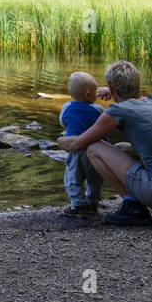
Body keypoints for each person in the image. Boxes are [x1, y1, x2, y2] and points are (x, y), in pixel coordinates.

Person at [57, 60, 152, 226]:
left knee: (94, 148)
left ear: (112, 89)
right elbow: (131, 101)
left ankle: (133, 207)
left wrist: (60, 140)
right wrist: (109, 90)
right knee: (150, 149)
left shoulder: (118, 111)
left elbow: (77, 145)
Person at [57, 71, 105, 216]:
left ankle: (78, 204)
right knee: (95, 178)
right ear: (88, 94)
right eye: (96, 91)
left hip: (76, 149)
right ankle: (92, 201)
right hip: (96, 150)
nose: (97, 94)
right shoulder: (99, 109)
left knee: (72, 178)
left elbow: (63, 123)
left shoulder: (67, 107)